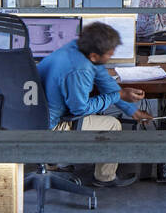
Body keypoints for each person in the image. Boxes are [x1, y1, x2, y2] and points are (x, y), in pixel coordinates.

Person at [37, 21, 153, 186]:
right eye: (109, 55)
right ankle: (105, 178)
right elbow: (79, 109)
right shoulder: (79, 69)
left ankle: (56, 162)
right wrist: (117, 95)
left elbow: (104, 80)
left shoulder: (76, 47)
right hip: (51, 125)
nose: (111, 57)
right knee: (113, 125)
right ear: (94, 56)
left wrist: (132, 110)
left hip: (38, 116)